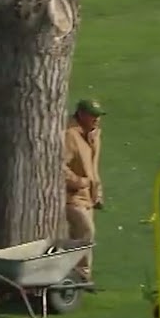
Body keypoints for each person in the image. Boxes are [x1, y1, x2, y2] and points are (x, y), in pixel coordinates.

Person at [63, 98, 105, 279]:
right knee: (86, 232)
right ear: (80, 114)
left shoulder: (94, 136)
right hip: (72, 196)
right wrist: (77, 182)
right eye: (92, 115)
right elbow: (58, 165)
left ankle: (79, 275)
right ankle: (80, 275)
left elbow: (93, 168)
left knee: (82, 235)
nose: (96, 119)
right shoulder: (70, 136)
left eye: (98, 116)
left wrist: (98, 191)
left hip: (88, 197)